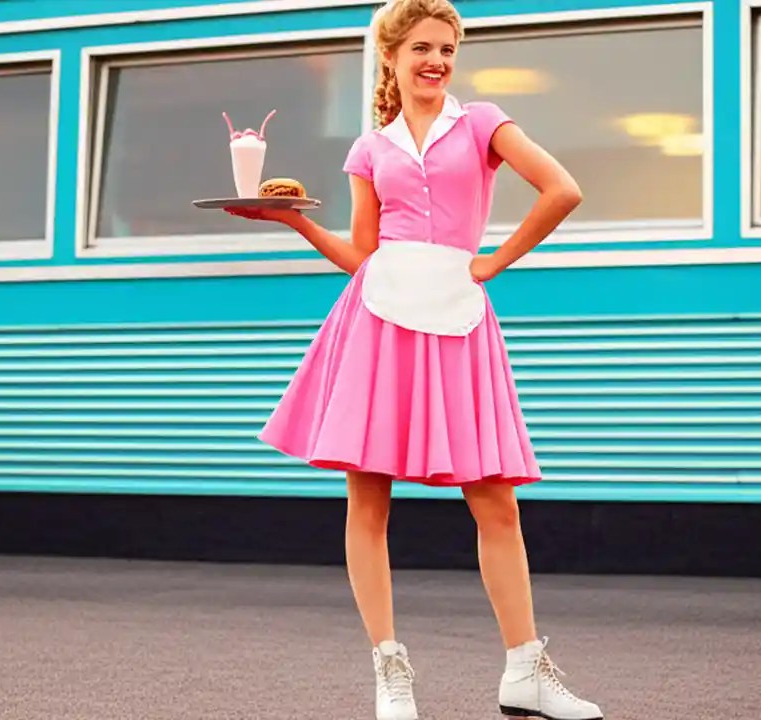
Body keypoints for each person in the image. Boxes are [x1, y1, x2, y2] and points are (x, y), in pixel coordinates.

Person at [225, 1, 601, 718]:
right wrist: (296, 220)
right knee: (367, 499)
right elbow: (362, 256)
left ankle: (525, 669)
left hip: (458, 320)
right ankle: (389, 671)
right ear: (390, 57)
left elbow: (563, 190)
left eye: (448, 49)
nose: (437, 60)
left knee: (495, 500)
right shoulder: (369, 149)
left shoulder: (485, 122)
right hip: (378, 318)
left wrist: (495, 261)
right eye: (423, 47)